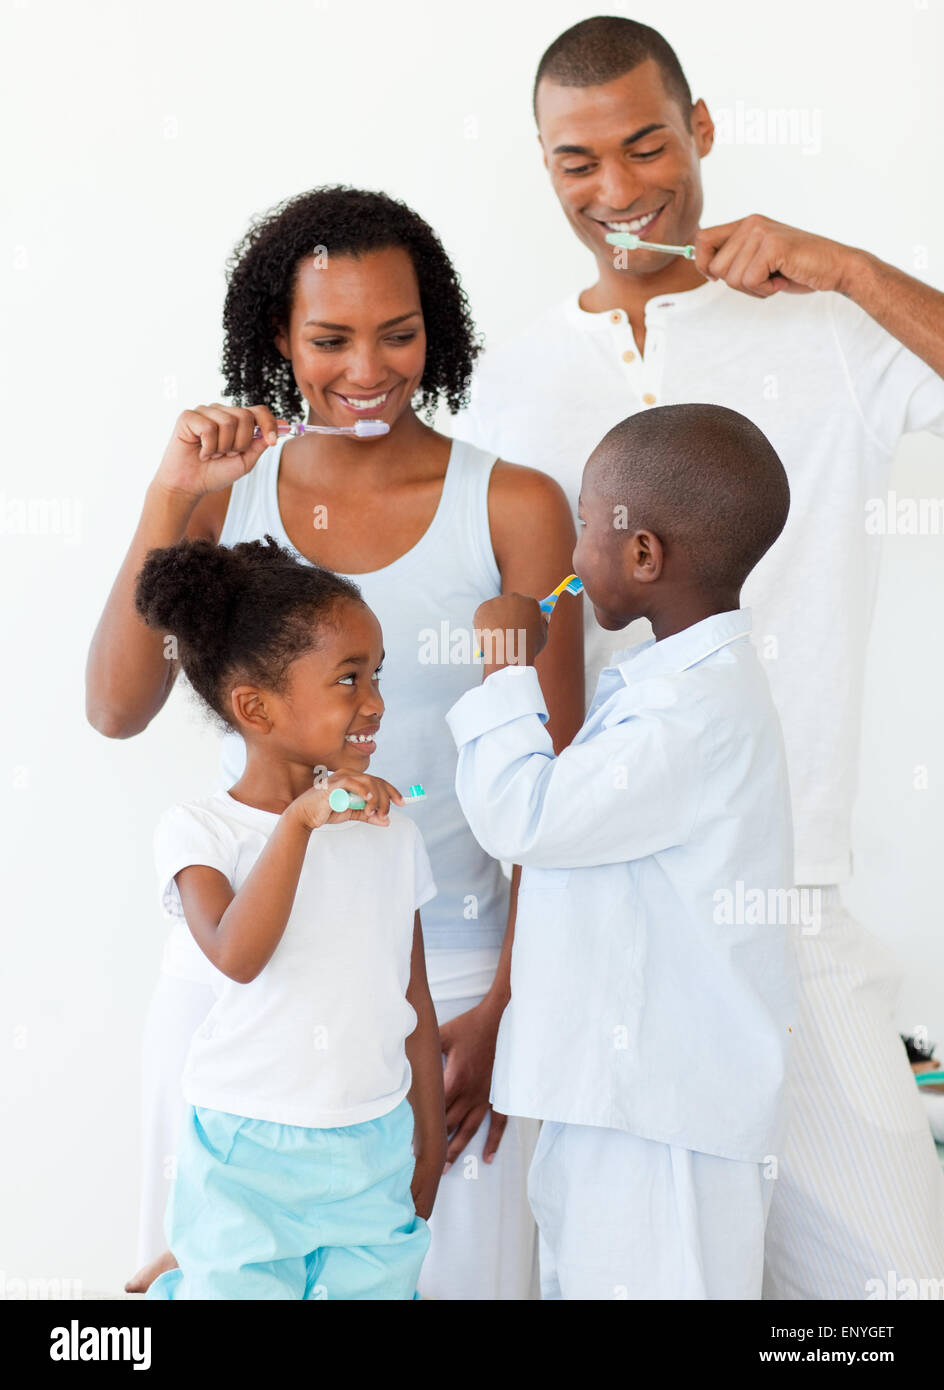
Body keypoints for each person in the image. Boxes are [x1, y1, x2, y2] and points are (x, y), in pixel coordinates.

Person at [453, 15, 944, 1299]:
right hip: (605, 923)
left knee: (893, 1285)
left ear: (700, 129)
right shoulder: (514, 387)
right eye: (575, 162)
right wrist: (510, 980)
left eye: (644, 143)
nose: (616, 190)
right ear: (542, 166)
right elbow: (535, 679)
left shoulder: (831, 330)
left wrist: (843, 267)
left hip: (791, 889)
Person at [85, 186, 583, 1299]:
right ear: (277, 338)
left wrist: (510, 1004)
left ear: (435, 328)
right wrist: (172, 494)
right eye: (329, 338)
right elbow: (116, 708)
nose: (367, 368)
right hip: (234, 969)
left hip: (442, 973)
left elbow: (556, 786)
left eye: (398, 332)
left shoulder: (513, 505)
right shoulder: (226, 489)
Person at [445, 403, 795, 1299]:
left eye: (586, 529)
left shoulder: (689, 713)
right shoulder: (671, 690)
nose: (570, 557)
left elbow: (525, 818)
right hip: (620, 1103)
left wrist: (504, 667)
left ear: (643, 556)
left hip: (659, 1123)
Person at [134, 536, 442, 1299]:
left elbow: (414, 1003)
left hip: (370, 1147)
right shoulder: (198, 831)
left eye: (377, 676)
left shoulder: (393, 832)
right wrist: (299, 824)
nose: (374, 701)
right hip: (245, 1148)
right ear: (255, 707)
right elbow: (236, 954)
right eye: (349, 678)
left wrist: (425, 1151)